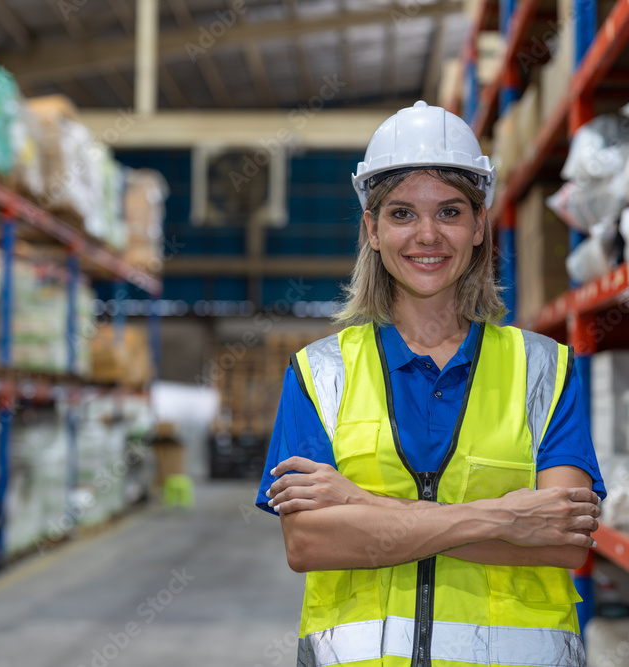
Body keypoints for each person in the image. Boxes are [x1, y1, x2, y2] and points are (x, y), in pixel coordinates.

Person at [255, 100, 605, 667]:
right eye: (401, 214)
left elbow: (563, 539)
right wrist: (509, 518)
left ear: (478, 227)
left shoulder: (544, 367)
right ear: (371, 229)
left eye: (448, 212)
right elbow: (310, 543)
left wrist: (361, 505)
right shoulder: (318, 373)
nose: (427, 235)